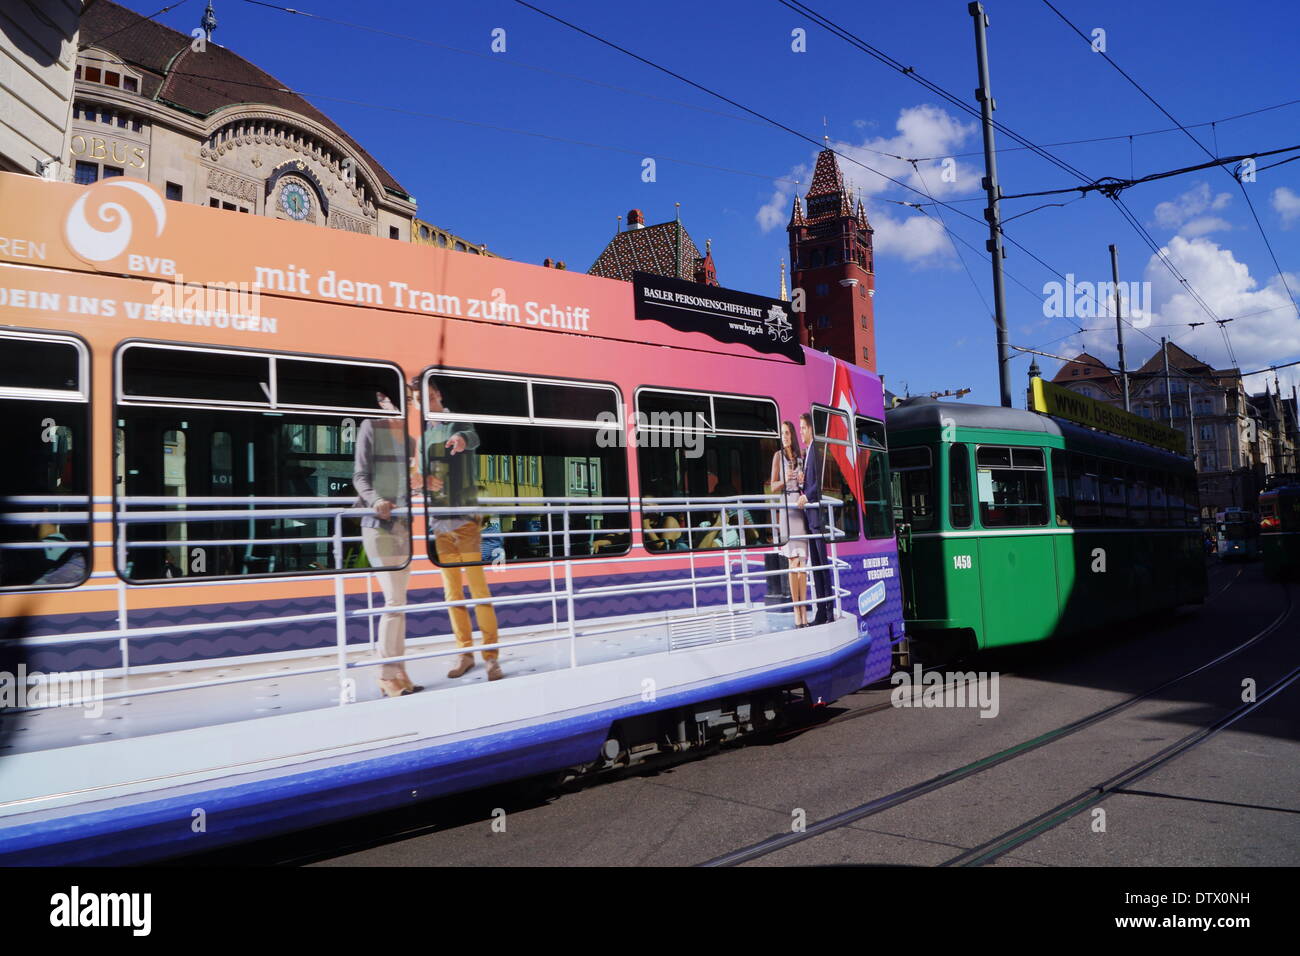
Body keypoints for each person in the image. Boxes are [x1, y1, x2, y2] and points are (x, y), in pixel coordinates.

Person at [424, 378, 503, 681]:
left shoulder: (458, 421)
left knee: (478, 590)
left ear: (438, 395)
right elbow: (418, 474)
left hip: (466, 522)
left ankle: (491, 657)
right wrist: (423, 481)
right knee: (452, 594)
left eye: (429, 397)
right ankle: (465, 654)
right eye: (419, 400)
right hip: (440, 523)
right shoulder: (423, 434)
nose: (425, 404)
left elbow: (472, 436)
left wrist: (461, 439)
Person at [353, 384, 421, 698]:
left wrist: (419, 486)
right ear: (384, 402)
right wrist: (376, 499)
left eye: (409, 399)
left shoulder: (410, 440)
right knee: (393, 600)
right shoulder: (371, 427)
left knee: (400, 602)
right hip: (377, 525)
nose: (407, 404)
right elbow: (360, 475)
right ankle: (385, 675)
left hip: (402, 526)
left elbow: (408, 484)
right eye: (401, 399)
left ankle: (399, 670)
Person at [769, 420, 810, 628]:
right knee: (792, 563)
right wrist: (785, 480)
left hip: (799, 508)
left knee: (802, 564)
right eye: (782, 433)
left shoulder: (800, 456)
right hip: (786, 508)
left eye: (787, 433)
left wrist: (802, 481)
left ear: (792, 435)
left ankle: (804, 608)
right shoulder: (778, 456)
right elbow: (772, 486)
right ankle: (796, 610)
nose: (784, 436)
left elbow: (804, 486)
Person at [796, 412, 833, 626]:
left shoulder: (816, 451)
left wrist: (806, 496)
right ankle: (821, 611)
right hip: (811, 519)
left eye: (803, 428)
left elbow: (818, 484)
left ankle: (828, 611)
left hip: (817, 519)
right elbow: (810, 483)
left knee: (822, 566)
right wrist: (802, 483)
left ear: (810, 429)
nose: (801, 432)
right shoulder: (808, 452)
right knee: (816, 567)